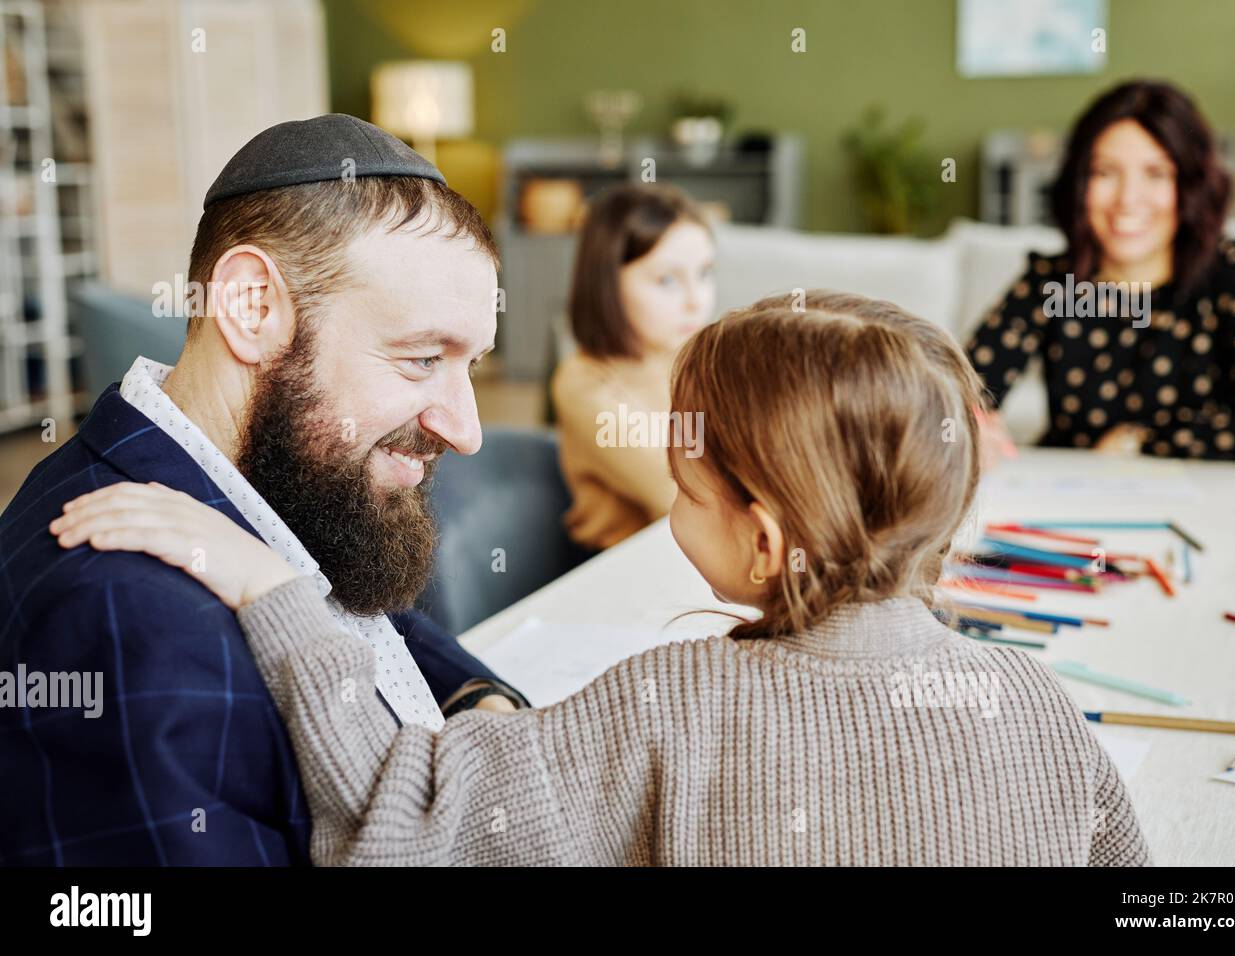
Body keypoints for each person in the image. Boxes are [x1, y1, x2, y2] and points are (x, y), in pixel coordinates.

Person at [59, 291, 1152, 866]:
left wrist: (272, 591)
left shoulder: (667, 704)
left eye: (684, 486)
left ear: (763, 538)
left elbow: (410, 816)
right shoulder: (1042, 705)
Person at [0, 114, 526, 866]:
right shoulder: (126, 627)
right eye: (419, 360)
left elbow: (370, 623)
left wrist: (482, 705)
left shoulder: (265, 488)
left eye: (469, 364)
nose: (466, 430)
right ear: (250, 308)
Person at [967, 80, 1235, 461]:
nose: (1127, 200)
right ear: (1079, 184)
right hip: (1068, 497)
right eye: (1105, 173)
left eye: (1156, 173)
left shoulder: (1230, 275)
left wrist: (1138, 443)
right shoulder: (1051, 283)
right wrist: (971, 429)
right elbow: (958, 395)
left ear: (1189, 186)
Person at [551, 184, 716, 549]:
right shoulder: (584, 383)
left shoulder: (690, 357)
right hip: (626, 567)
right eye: (668, 280)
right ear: (608, 284)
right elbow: (681, 494)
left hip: (702, 555)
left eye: (705, 273)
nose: (696, 300)